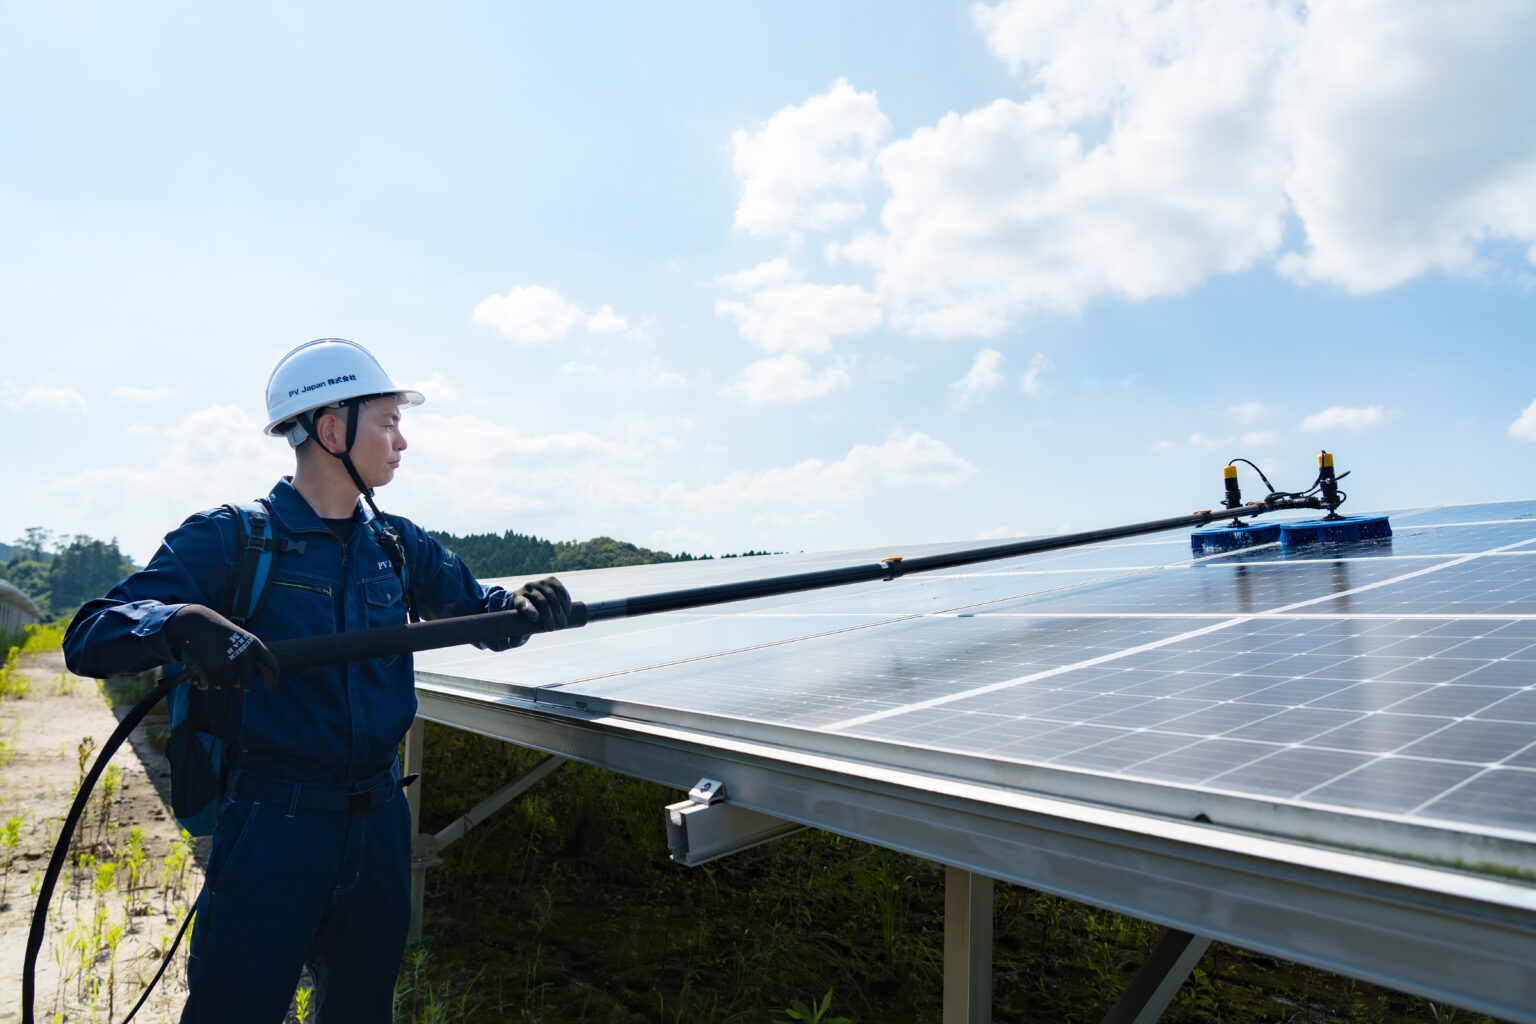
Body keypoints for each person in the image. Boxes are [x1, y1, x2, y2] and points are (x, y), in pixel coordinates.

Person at [63, 337, 571, 1023]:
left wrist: (525, 606)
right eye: (388, 421)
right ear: (332, 430)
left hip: (382, 821)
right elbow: (91, 632)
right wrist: (178, 623)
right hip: (274, 829)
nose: (402, 440)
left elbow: (481, 615)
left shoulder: (397, 545)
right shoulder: (232, 540)